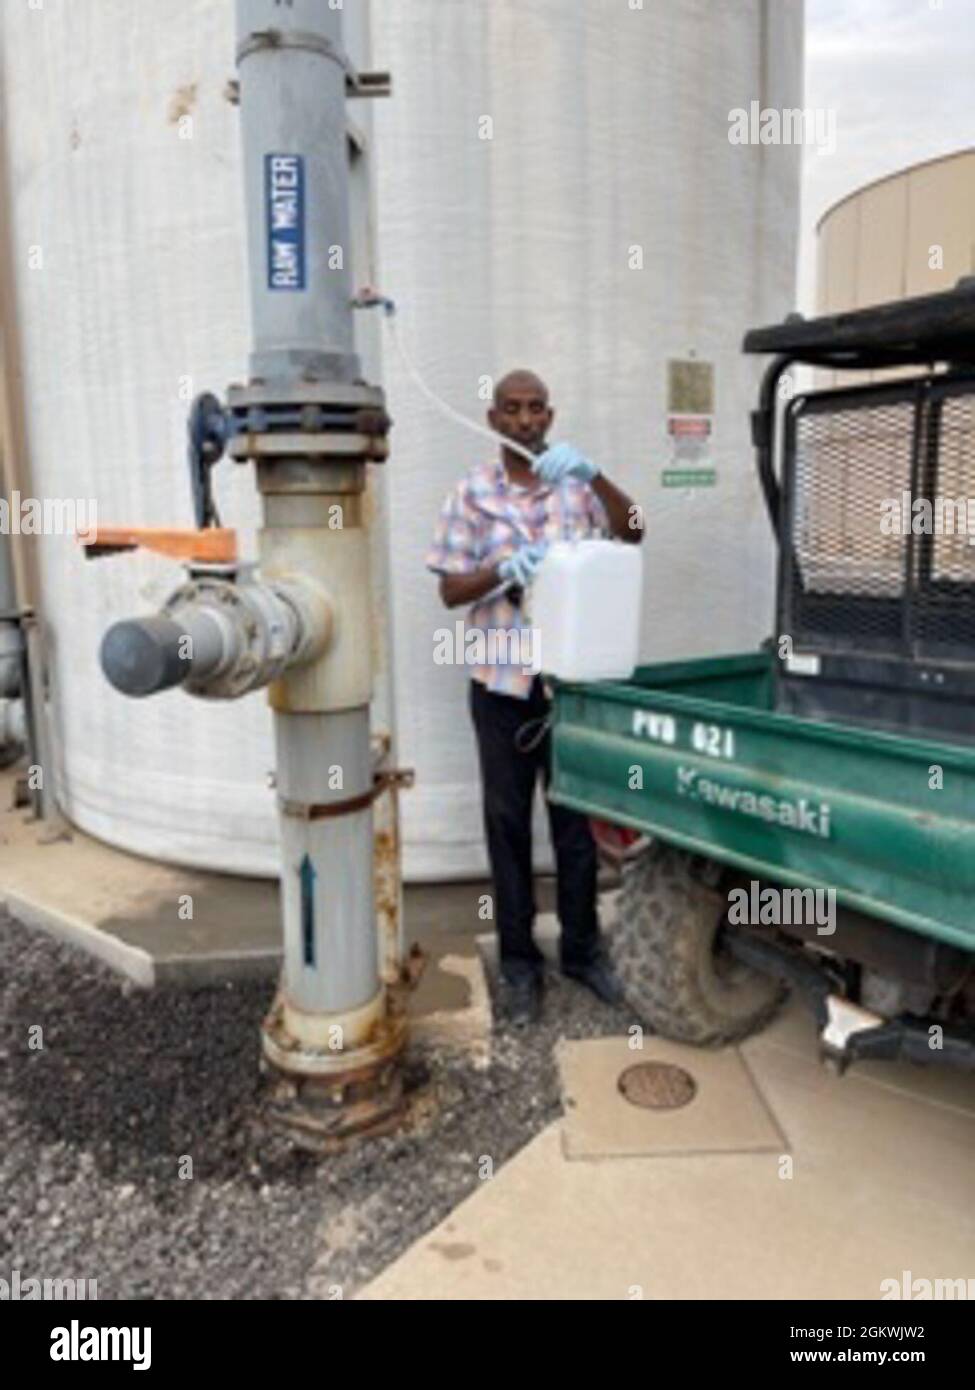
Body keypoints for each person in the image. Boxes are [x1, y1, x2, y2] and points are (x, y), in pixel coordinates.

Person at [425, 368, 644, 1025]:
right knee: (508, 825)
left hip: (568, 688)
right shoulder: (471, 492)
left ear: (550, 417)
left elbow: (634, 529)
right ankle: (520, 965)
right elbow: (450, 590)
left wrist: (595, 473)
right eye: (512, 409)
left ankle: (581, 951)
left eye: (535, 409)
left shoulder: (577, 489)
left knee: (574, 826)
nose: (524, 420)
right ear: (494, 418)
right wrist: (502, 571)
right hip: (500, 686)